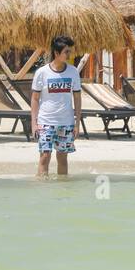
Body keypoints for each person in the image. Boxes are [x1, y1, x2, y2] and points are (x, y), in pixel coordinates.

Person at [31, 34, 82, 179]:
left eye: (69, 51)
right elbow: (35, 99)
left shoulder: (73, 72)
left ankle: (62, 190)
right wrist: (34, 124)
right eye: (66, 51)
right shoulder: (42, 73)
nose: (69, 54)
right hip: (45, 122)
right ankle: (42, 187)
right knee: (45, 156)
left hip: (66, 123)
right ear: (56, 52)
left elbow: (77, 99)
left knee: (62, 158)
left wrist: (77, 123)